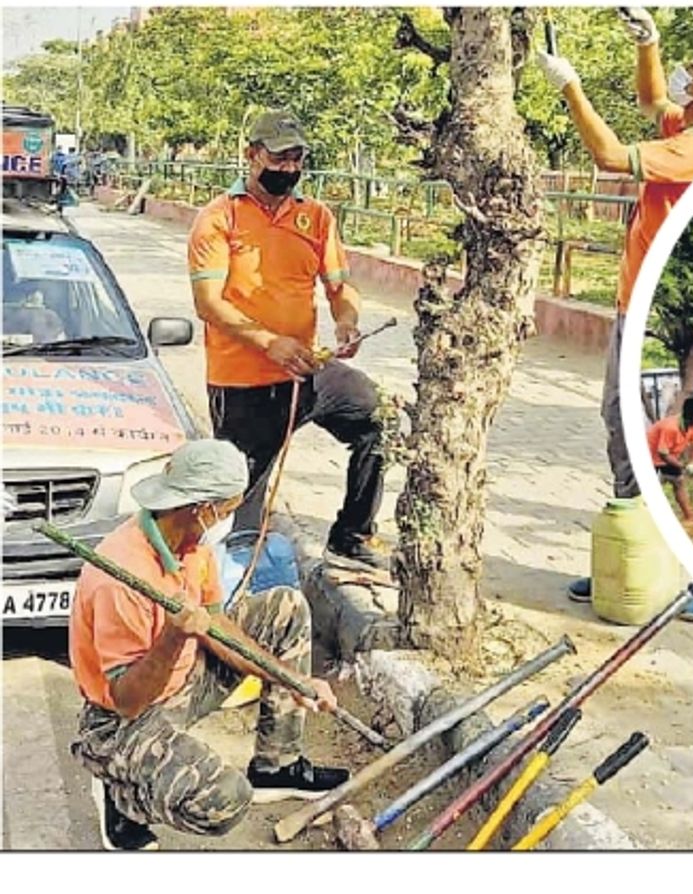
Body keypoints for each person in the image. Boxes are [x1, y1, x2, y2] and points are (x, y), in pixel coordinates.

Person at [69, 439, 349, 851]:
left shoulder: (193, 544)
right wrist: (174, 635)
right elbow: (126, 700)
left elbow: (216, 625)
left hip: (183, 678)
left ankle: (277, 764)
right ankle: (123, 799)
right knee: (224, 802)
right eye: (228, 510)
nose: (229, 519)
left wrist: (292, 680)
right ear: (200, 508)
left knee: (285, 608)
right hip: (123, 719)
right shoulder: (122, 578)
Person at [537, 9, 693, 605]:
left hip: (665, 319)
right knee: (622, 423)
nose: (682, 76)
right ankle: (634, 555)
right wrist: (650, 42)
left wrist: (570, 86)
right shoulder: (685, 128)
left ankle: (688, 576)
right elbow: (650, 102)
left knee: (664, 438)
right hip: (634, 307)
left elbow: (611, 156)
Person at [188, 109, 388, 572]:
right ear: (251, 155)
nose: (287, 170)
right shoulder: (219, 220)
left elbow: (340, 287)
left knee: (380, 421)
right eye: (278, 159)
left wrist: (347, 322)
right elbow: (207, 303)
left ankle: (352, 534)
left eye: (296, 159)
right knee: (243, 501)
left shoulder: (316, 217)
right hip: (243, 383)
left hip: (305, 369)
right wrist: (266, 341)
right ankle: (233, 588)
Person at [647, 396, 693, 520]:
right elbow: (663, 454)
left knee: (679, 482)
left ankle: (689, 516)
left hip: (669, 455)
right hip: (650, 457)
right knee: (651, 488)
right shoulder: (670, 427)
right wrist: (683, 466)